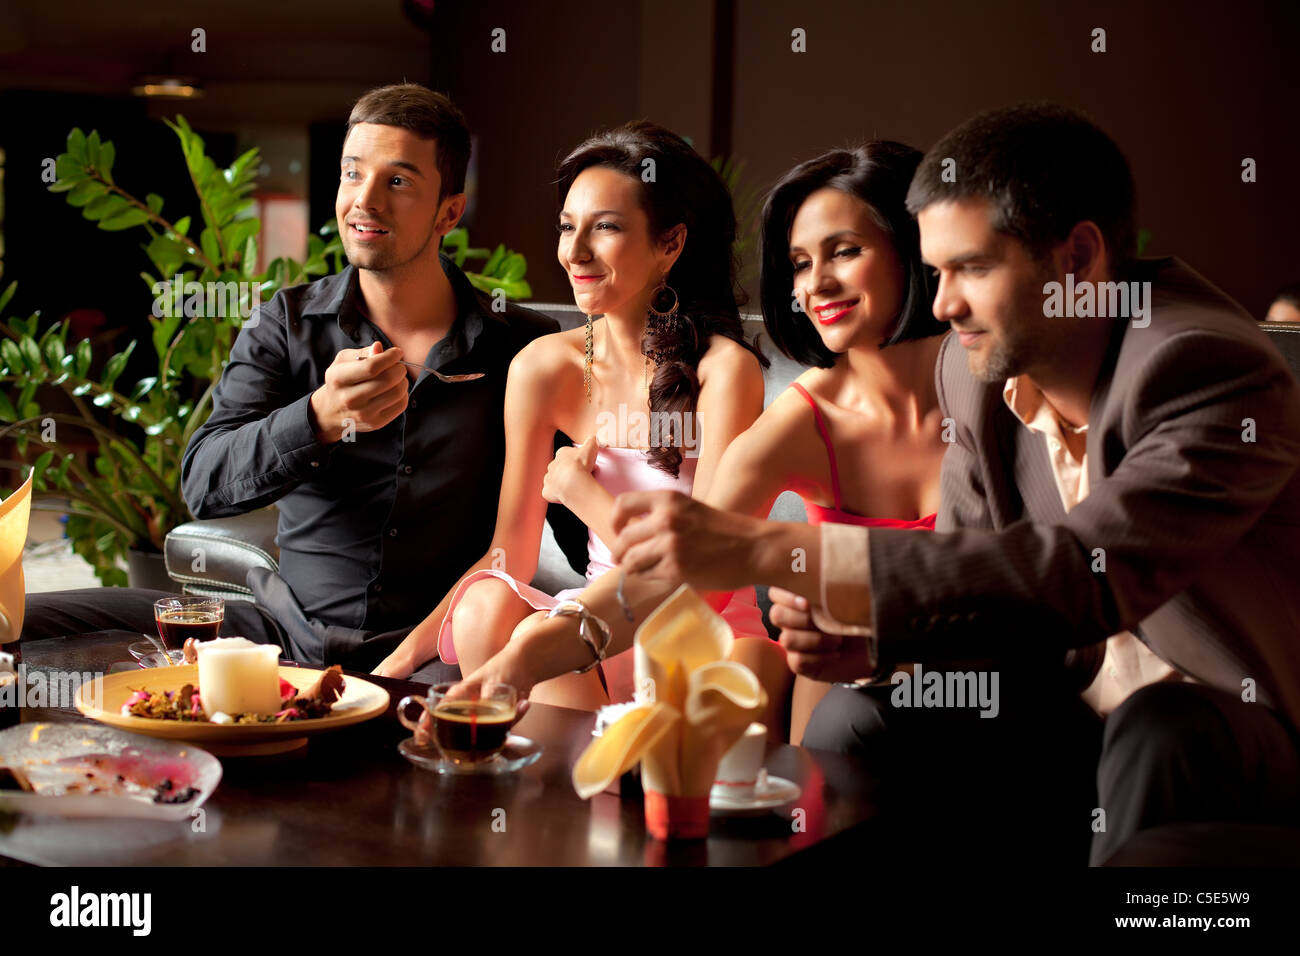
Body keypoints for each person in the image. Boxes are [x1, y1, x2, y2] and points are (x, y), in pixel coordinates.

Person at [509, 104, 1300, 865]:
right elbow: (972, 571)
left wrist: (776, 549)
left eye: (970, 269)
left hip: (1233, 721)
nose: (945, 302)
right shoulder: (974, 364)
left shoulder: (1199, 365)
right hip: (1063, 702)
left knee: (1162, 725)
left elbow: (1080, 569)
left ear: (1078, 259)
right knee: (858, 718)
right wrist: (876, 644)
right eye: (937, 270)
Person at [24, 84, 563, 679]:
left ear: (449, 212)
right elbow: (204, 483)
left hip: (435, 653)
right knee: (22, 623)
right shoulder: (286, 323)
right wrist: (317, 419)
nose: (365, 200)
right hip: (280, 632)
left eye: (398, 181)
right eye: (352, 174)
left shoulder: (521, 348)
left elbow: (573, 525)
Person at [447, 141, 948, 743]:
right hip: (846, 700)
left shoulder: (998, 395)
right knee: (840, 726)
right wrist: (521, 663)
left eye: (845, 251)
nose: (818, 284)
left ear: (919, 249)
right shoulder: (800, 421)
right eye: (800, 263)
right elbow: (689, 570)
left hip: (988, 678)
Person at [373, 121, 773, 715]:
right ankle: (571, 788)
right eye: (567, 227)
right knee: (486, 601)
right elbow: (508, 555)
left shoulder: (724, 373)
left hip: (696, 632)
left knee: (556, 642)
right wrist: (394, 669)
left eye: (605, 227)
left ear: (670, 244)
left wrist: (579, 493)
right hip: (598, 627)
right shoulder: (545, 366)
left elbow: (705, 574)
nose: (574, 251)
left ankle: (590, 788)